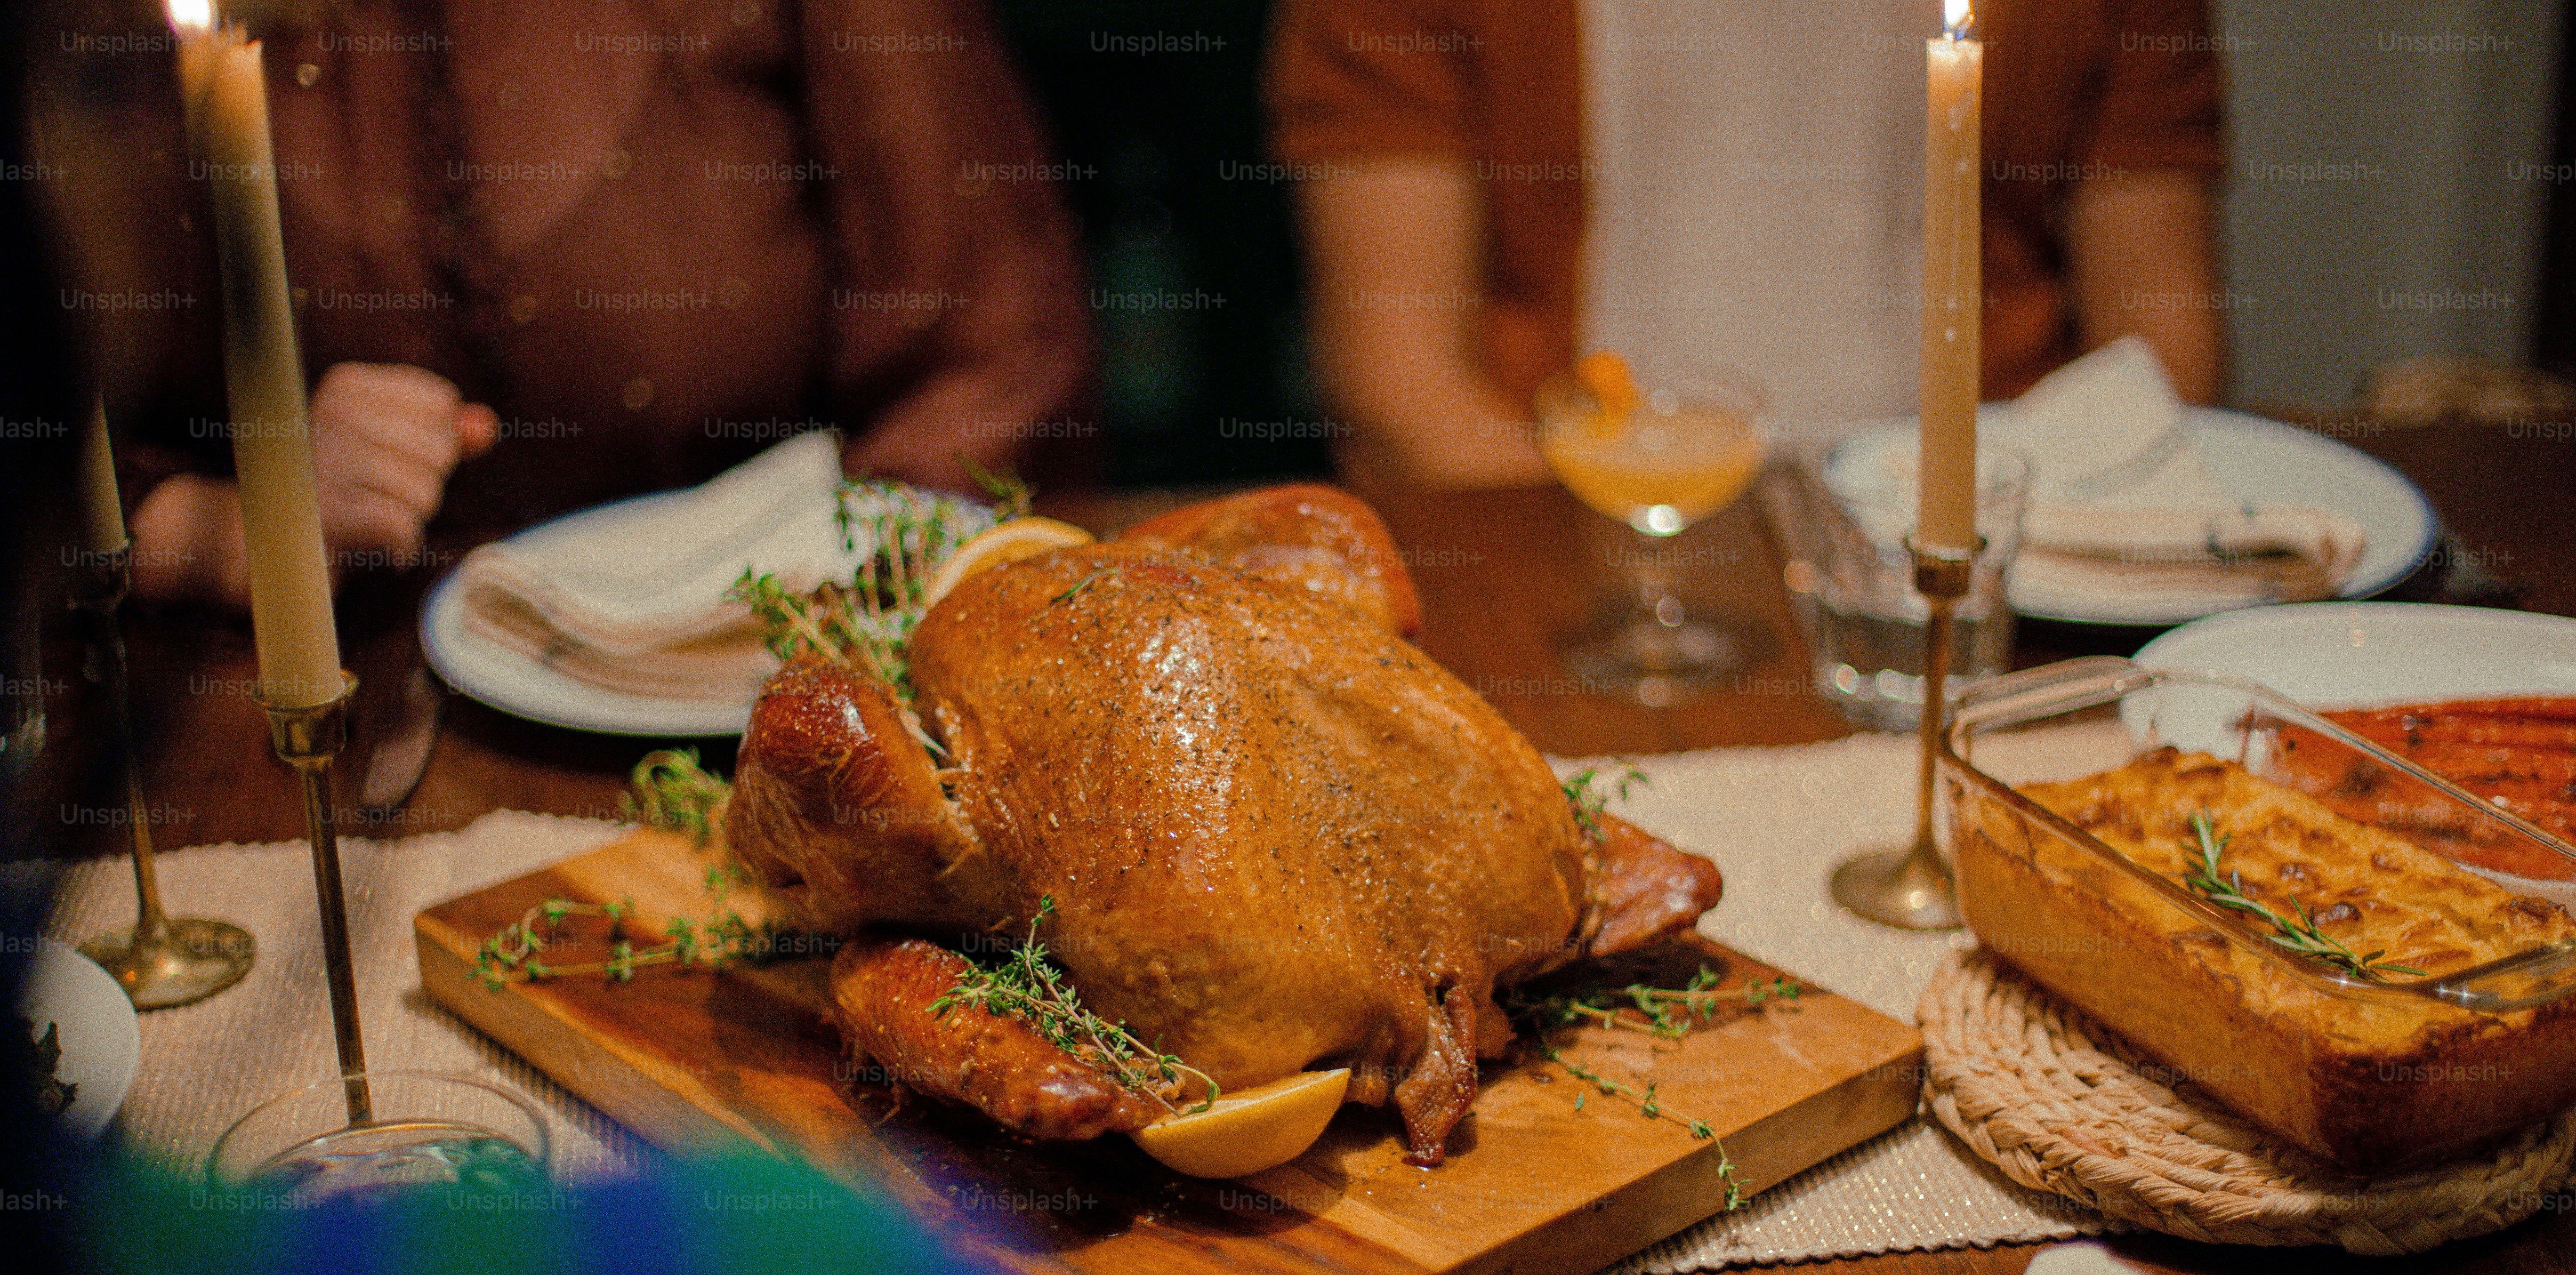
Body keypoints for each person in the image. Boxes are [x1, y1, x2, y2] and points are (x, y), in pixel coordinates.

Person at [80, 0, 1092, 608]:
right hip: (327, 718)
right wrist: (210, 524)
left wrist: (825, 609)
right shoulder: (163, 37)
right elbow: (65, 448)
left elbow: (995, 344)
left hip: (767, 703)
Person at [1267, 0, 2228, 488]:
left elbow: (2163, 346)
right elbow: (1393, 368)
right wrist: (1641, 561)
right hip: (1577, 537)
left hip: (1981, 537)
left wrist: (2031, 531)